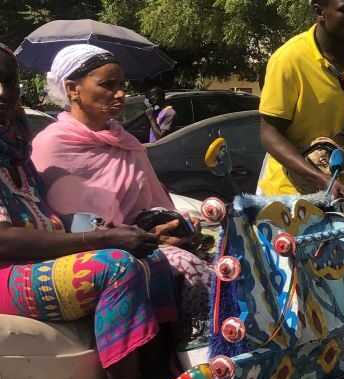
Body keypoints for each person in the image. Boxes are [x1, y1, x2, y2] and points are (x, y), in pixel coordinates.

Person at [0, 45, 180, 379]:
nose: (2, 92)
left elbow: (50, 220)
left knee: (152, 258)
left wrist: (112, 230)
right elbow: (6, 241)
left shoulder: (13, 148)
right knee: (114, 267)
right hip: (6, 274)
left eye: (8, 81)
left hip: (33, 263)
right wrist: (100, 242)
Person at [31, 45, 211, 330]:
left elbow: (154, 203)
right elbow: (67, 222)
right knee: (192, 272)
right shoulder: (52, 145)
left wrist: (173, 227)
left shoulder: (124, 139)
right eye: (107, 85)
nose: (120, 94)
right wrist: (143, 240)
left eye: (122, 86)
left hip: (145, 240)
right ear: (72, 89)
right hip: (96, 252)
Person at [257, 0, 344, 200]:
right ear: (320, 11)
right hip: (287, 199)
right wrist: (321, 179)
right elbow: (269, 135)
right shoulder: (289, 59)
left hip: (340, 194)